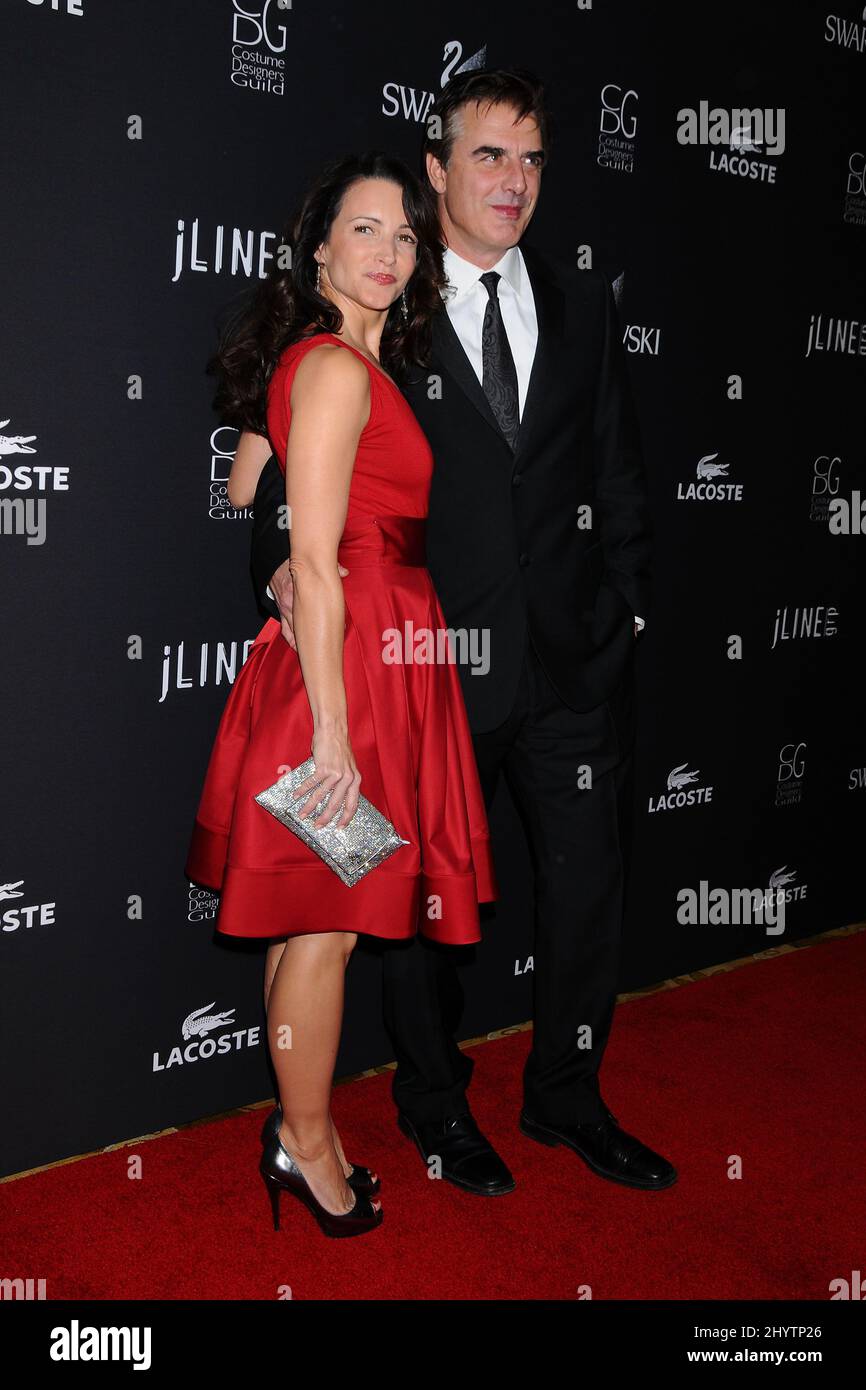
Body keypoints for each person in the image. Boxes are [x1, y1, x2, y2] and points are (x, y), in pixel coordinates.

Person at [250, 68, 677, 1194]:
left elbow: (617, 469)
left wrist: (625, 602)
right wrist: (280, 579)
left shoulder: (583, 304)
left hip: (577, 657)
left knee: (586, 894)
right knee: (418, 910)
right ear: (436, 168)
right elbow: (283, 468)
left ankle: (567, 1097)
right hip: (436, 665)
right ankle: (437, 1109)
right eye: (487, 155)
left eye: (532, 159)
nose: (513, 180)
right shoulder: (390, 306)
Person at [184, 151, 498, 1238]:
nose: (389, 253)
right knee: (323, 930)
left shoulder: (359, 368)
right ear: (319, 249)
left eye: (406, 237)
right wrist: (332, 734)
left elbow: (270, 508)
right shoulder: (328, 368)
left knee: (306, 924)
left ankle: (294, 1124)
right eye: (365, 230)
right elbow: (313, 560)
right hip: (345, 670)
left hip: (375, 658)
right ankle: (306, 1144)